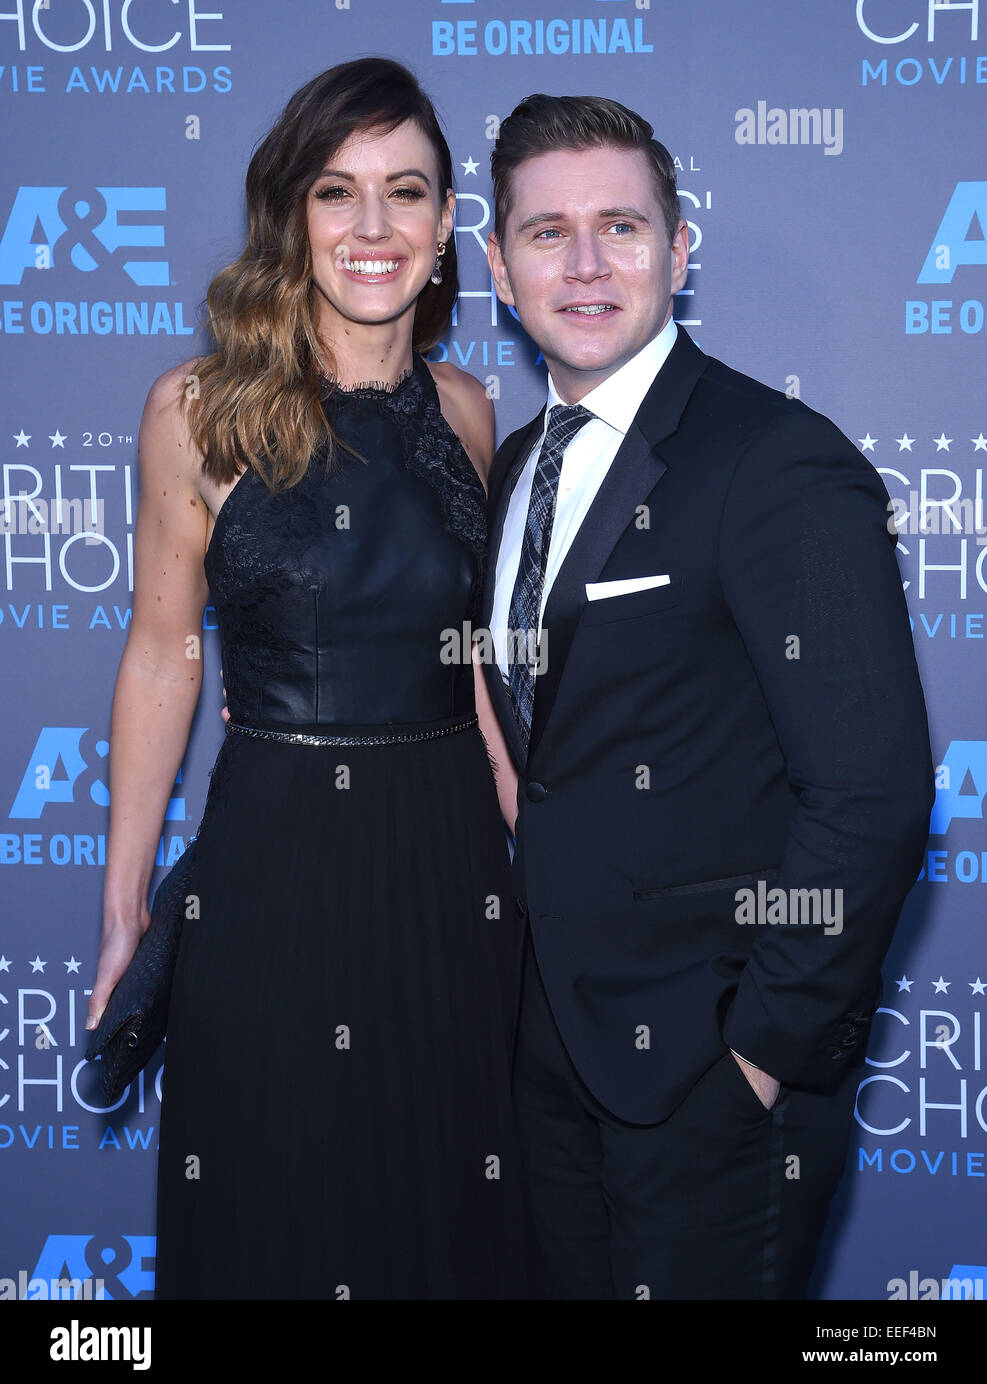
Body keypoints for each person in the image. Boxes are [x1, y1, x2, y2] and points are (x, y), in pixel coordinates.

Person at [86, 57, 529, 1299]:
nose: (373, 228)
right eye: (338, 193)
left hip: (449, 863)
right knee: (271, 1191)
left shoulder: (474, 412)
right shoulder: (197, 410)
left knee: (445, 1194)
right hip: (273, 856)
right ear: (292, 217)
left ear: (449, 225)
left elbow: (485, 661)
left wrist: (530, 838)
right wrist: (127, 907)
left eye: (406, 192)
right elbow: (165, 652)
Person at [479, 93, 934, 1299]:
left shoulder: (774, 458)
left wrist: (760, 1061)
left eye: (621, 227)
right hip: (548, 1068)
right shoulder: (520, 464)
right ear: (495, 264)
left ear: (680, 252)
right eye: (546, 232)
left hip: (709, 1085)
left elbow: (873, 791)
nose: (584, 264)